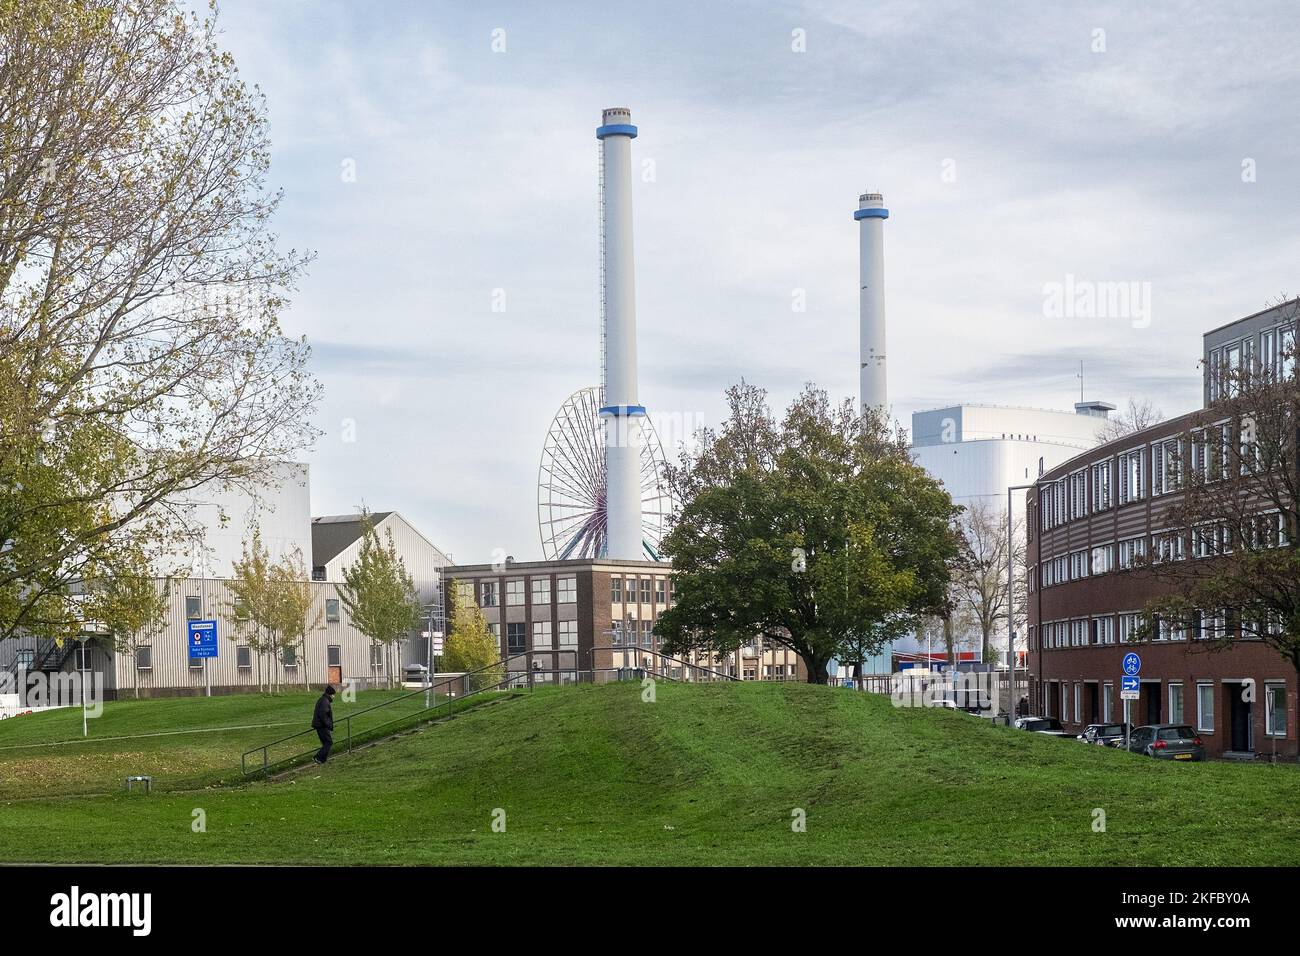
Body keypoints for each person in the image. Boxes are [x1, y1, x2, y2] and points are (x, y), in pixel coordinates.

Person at [312, 685, 336, 764]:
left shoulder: (323, 700)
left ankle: (323, 760)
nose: (334, 697)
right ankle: (318, 757)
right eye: (333, 695)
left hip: (320, 725)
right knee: (329, 742)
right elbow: (323, 715)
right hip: (322, 726)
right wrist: (328, 724)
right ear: (330, 694)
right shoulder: (325, 701)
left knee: (325, 743)